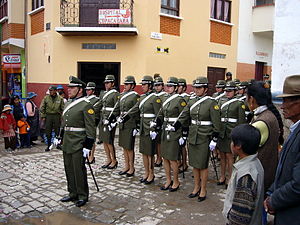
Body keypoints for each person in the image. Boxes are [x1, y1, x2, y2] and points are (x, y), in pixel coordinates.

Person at [264, 75, 300, 225]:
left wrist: (274, 201)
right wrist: (271, 193)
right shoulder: (295, 129)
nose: (282, 106)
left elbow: (298, 185)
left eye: (287, 101)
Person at [178, 77, 221, 201]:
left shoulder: (211, 103)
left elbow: (216, 123)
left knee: (202, 165)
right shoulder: (192, 101)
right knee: (194, 164)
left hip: (204, 136)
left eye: (199, 88)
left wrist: (214, 139)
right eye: (195, 87)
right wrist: (176, 126)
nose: (196, 90)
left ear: (205, 89)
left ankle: (203, 189)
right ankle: (196, 187)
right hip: (193, 136)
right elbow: (184, 115)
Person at [247, 81, 283, 225]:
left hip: (260, 173)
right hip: (267, 170)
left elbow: (247, 149)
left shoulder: (261, 122)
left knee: (256, 212)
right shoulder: (268, 114)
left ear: (251, 99)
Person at [60, 76, 96, 208]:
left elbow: (91, 127)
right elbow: (64, 123)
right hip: (67, 141)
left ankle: (82, 195)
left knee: (78, 170)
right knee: (68, 168)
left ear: (80, 90)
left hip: (79, 141)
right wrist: (60, 136)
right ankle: (72, 192)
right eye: (69, 87)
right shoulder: (68, 103)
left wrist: (88, 145)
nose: (69, 90)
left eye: (72, 88)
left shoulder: (86, 105)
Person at [223, 124, 264, 225]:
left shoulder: (246, 174)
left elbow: (240, 217)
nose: (231, 144)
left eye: (232, 141)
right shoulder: (255, 163)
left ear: (238, 146)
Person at [127, 75, 161, 184]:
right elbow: (135, 109)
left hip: (150, 128)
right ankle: (146, 172)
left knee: (150, 153)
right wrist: (124, 117)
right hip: (142, 127)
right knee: (144, 152)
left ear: (150, 85)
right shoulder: (141, 97)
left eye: (144, 84)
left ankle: (151, 173)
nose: (142, 86)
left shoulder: (155, 98)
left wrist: (155, 129)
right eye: (142, 84)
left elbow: (159, 115)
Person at [159, 77, 186, 192]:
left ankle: (176, 181)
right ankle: (168, 180)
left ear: (175, 88)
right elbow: (162, 114)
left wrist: (182, 132)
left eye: (170, 86)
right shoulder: (165, 98)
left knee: (172, 158)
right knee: (165, 156)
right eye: (167, 86)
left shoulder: (180, 100)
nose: (168, 88)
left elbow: (185, 115)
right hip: (165, 129)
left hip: (175, 131)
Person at [217, 81, 246, 186]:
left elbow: (241, 121)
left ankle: (230, 177)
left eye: (230, 91)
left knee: (230, 156)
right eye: (226, 91)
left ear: (235, 91)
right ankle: (222, 176)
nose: (227, 93)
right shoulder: (221, 102)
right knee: (222, 155)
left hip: (231, 133)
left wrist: (238, 135)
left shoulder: (239, 103)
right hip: (222, 133)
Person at [95, 75, 120, 169]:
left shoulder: (115, 94)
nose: (106, 85)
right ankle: (108, 159)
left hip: (110, 119)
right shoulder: (104, 93)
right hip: (103, 118)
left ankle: (114, 160)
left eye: (108, 83)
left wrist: (112, 119)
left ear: (113, 83)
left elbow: (117, 108)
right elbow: (100, 104)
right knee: (104, 140)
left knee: (109, 141)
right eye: (105, 83)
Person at [117, 76, 139, 176]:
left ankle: (132, 167)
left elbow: (136, 110)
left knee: (129, 146)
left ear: (132, 85)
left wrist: (136, 126)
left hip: (130, 123)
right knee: (124, 146)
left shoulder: (135, 96)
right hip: (122, 122)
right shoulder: (122, 95)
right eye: (124, 84)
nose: (125, 86)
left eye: (127, 84)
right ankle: (126, 166)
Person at [40, 85, 65, 151]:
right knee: (48, 131)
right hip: (48, 116)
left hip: (57, 115)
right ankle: (48, 145)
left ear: (55, 91)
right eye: (50, 90)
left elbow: (63, 108)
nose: (50, 92)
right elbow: (42, 108)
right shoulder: (46, 98)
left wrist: (62, 117)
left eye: (51, 90)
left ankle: (58, 145)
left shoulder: (60, 98)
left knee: (58, 131)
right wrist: (43, 116)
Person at [153, 76, 167, 167]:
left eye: (159, 85)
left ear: (162, 86)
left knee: (160, 142)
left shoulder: (164, 96)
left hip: (162, 121)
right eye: (155, 85)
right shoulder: (153, 95)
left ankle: (160, 158)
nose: (157, 87)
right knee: (156, 142)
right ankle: (158, 157)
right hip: (154, 120)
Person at [177, 78, 190, 173]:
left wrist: (185, 127)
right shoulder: (177, 97)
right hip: (176, 123)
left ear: (184, 87)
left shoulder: (186, 98)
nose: (178, 88)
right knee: (177, 145)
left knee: (182, 145)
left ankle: (184, 163)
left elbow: (186, 113)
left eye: (180, 86)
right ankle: (179, 161)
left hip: (183, 124)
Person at [85, 82, 99, 164]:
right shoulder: (85, 99)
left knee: (92, 139)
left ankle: (92, 156)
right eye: (86, 90)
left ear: (93, 91)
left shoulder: (96, 100)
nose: (87, 91)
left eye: (89, 90)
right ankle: (87, 155)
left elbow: (96, 112)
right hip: (85, 122)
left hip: (92, 122)